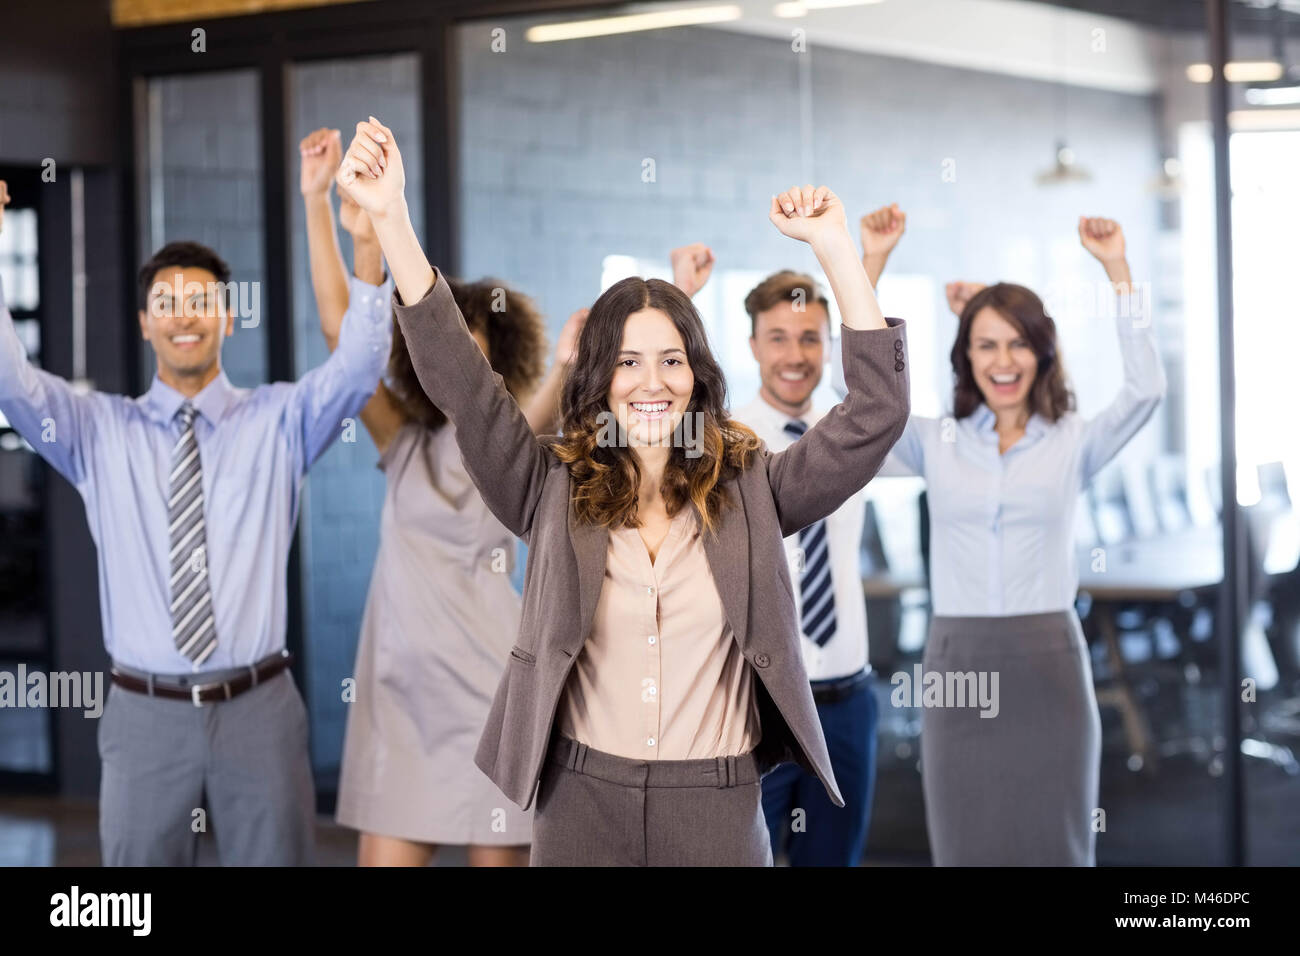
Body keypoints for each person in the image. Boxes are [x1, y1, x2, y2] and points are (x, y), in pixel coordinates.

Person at [334, 116, 910, 866]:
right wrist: (391, 221)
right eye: (629, 361)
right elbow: (468, 390)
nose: (651, 382)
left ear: (697, 376)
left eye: (672, 361)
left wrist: (837, 248)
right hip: (580, 803)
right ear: (599, 377)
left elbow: (877, 413)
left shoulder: (754, 490)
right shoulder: (549, 491)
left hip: (717, 805)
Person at [0, 175, 392, 865]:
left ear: (227, 316)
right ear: (146, 320)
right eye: (166, 303)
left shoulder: (281, 419)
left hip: (259, 712)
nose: (184, 315)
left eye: (200, 301)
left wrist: (366, 243)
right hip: (143, 715)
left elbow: (360, 371)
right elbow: (12, 386)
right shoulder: (97, 432)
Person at [298, 128, 580, 866]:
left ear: (496, 354)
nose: (453, 357)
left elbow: (547, 396)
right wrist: (322, 206)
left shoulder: (515, 441)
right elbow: (342, 333)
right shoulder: (401, 443)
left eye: (470, 342)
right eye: (441, 341)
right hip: (402, 701)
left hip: (494, 695)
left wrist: (575, 358)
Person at [856, 202, 1166, 865]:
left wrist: (1118, 270)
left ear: (1042, 352)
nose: (1004, 360)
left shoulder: (1072, 442)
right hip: (955, 658)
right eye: (986, 343)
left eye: (1019, 342)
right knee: (966, 843)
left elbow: (1145, 391)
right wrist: (870, 268)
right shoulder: (935, 442)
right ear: (965, 356)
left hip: (1047, 658)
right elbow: (860, 405)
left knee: (1055, 842)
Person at [670, 245, 880, 867]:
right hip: (754, 705)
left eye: (811, 338)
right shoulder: (719, 441)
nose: (795, 355)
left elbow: (880, 382)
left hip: (846, 704)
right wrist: (683, 290)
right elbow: (669, 395)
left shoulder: (852, 437)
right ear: (754, 345)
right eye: (779, 338)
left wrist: (867, 263)